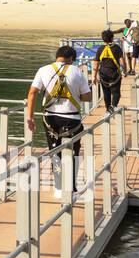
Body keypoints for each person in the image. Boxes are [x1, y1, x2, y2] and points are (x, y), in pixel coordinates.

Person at [26, 44, 93, 196]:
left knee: (55, 151)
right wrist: (74, 95)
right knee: (73, 152)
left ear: (57, 56)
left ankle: (58, 187)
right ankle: (71, 188)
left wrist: (29, 117)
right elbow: (87, 97)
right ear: (71, 59)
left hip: (50, 118)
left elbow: (32, 93)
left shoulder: (43, 70)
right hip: (72, 119)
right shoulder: (77, 71)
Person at [92, 29, 124, 111]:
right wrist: (125, 71)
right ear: (112, 37)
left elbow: (96, 64)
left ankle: (108, 109)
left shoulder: (100, 49)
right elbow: (122, 61)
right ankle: (113, 106)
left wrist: (94, 77)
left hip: (103, 74)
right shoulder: (117, 48)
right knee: (116, 92)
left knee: (106, 93)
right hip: (115, 74)